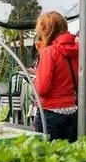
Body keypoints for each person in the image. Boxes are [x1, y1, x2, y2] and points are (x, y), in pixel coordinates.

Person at [33, 11, 79, 142]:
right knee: (68, 157)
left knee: (47, 158)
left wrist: (37, 76)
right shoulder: (75, 51)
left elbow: (43, 89)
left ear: (46, 30)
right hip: (71, 110)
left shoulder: (49, 52)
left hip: (50, 112)